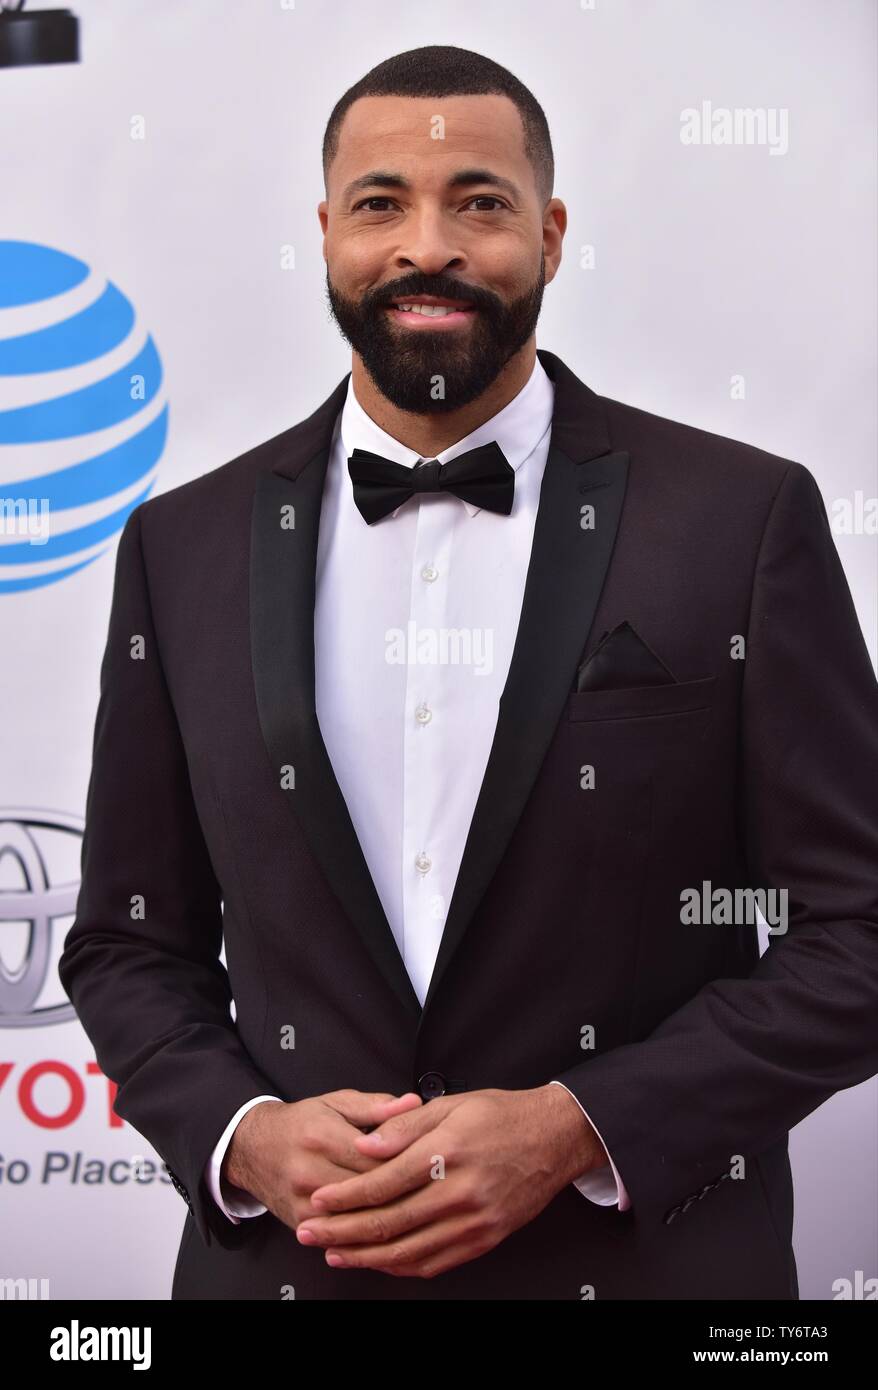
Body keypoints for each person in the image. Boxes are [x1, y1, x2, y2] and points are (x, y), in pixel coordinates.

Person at [59, 44, 878, 1301]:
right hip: (289, 1275)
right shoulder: (182, 546)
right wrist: (242, 1136)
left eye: (479, 203)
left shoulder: (740, 518)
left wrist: (582, 1124)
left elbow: (859, 930)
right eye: (380, 203)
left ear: (549, 235)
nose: (424, 245)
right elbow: (127, 942)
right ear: (325, 232)